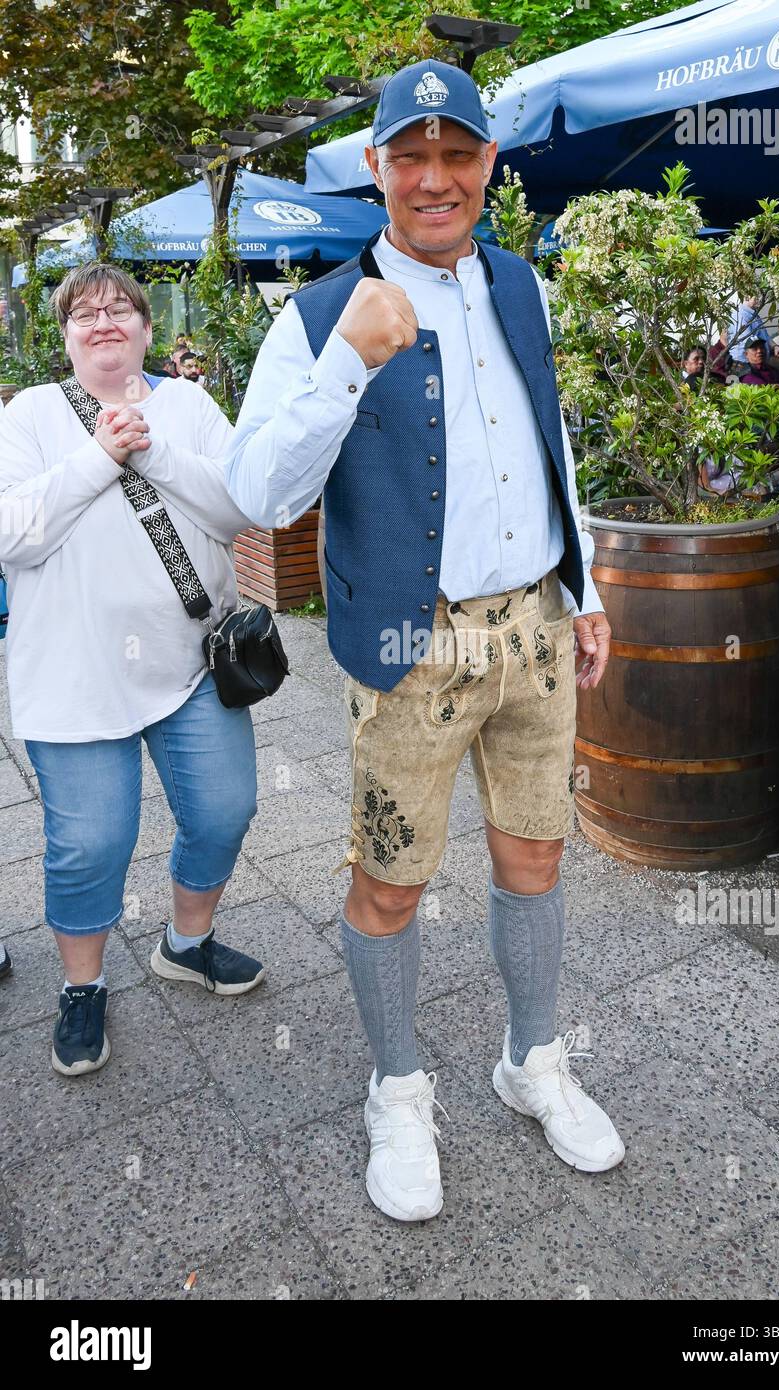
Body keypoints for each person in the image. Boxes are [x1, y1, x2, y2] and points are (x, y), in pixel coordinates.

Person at [228, 59, 625, 1223]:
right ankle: (397, 1087)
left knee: (537, 857)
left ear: (488, 167)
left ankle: (531, 1061)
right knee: (389, 885)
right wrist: (351, 359)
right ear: (377, 170)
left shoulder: (521, 285)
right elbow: (259, 493)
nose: (437, 179)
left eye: (460, 155)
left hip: (538, 629)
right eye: (414, 156)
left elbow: (550, 439)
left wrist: (587, 585)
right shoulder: (314, 316)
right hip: (412, 646)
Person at [0, 263, 262, 1078]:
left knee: (225, 810)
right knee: (90, 844)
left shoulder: (188, 404)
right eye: (86, 313)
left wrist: (151, 457)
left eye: (122, 310)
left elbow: (238, 507)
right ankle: (83, 987)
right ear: (67, 335)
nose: (105, 321)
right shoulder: (32, 413)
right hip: (74, 677)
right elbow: (14, 536)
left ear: (149, 330)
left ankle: (187, 942)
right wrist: (99, 454)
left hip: (190, 666)